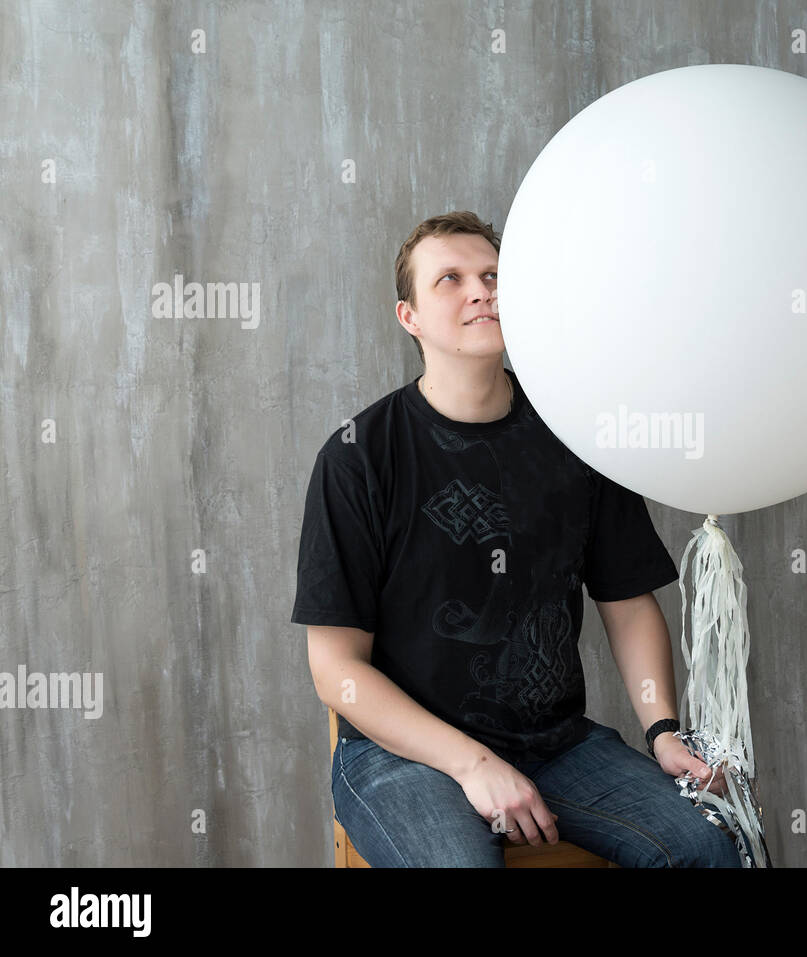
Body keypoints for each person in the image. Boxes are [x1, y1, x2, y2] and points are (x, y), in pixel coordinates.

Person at [291, 211, 746, 867]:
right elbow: (337, 669)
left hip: (555, 744)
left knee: (705, 848)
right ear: (409, 316)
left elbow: (626, 600)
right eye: (450, 279)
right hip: (400, 757)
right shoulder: (360, 458)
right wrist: (473, 763)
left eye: (494, 276)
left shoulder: (573, 438)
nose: (481, 291)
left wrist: (664, 730)